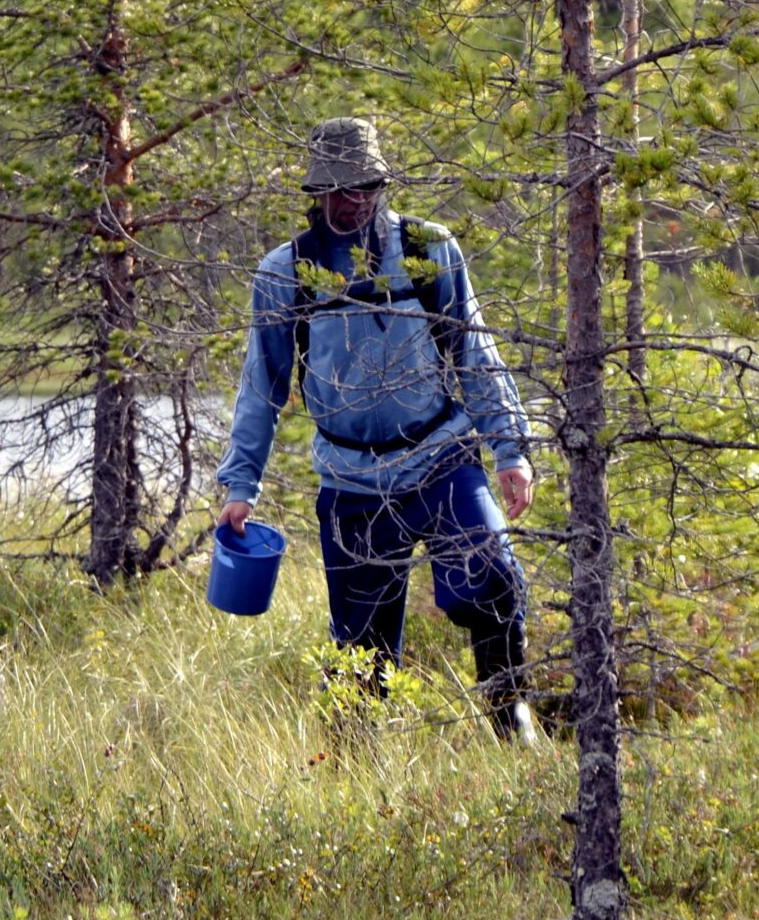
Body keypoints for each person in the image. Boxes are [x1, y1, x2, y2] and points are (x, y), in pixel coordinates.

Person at [215, 117, 538, 737]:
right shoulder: (286, 272)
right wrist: (240, 486)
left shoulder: (428, 249)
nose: (349, 200)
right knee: (362, 657)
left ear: (379, 184)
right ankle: (354, 768)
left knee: (491, 576)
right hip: (352, 480)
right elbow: (262, 385)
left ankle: (508, 709)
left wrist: (509, 450)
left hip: (440, 458)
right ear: (315, 193)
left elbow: (475, 352)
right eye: (335, 188)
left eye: (362, 185)